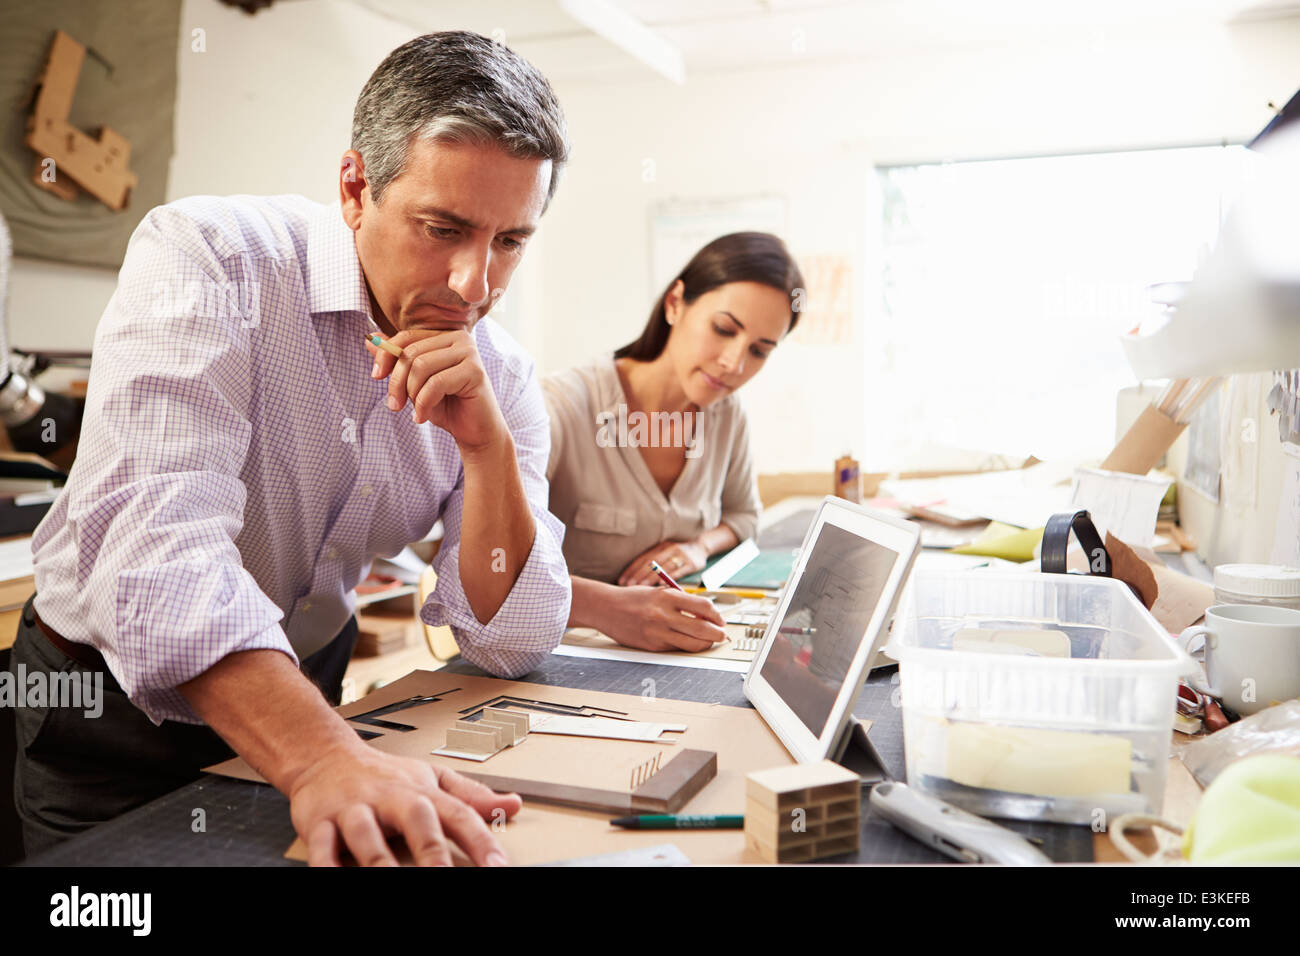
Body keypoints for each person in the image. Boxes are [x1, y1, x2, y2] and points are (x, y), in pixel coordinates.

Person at [8, 32, 572, 867]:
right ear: (355, 187)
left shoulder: (503, 376)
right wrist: (323, 755)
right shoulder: (210, 258)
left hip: (306, 691)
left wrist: (487, 455)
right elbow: (156, 554)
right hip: (111, 710)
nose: (474, 284)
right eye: (442, 227)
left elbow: (512, 640)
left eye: (510, 242)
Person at [543, 233, 804, 652]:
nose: (733, 364)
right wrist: (611, 610)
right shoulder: (561, 405)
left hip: (668, 655)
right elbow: (498, 569)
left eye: (758, 351)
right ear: (675, 303)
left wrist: (697, 546)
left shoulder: (727, 414)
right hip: (561, 658)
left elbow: (743, 517)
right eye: (723, 329)